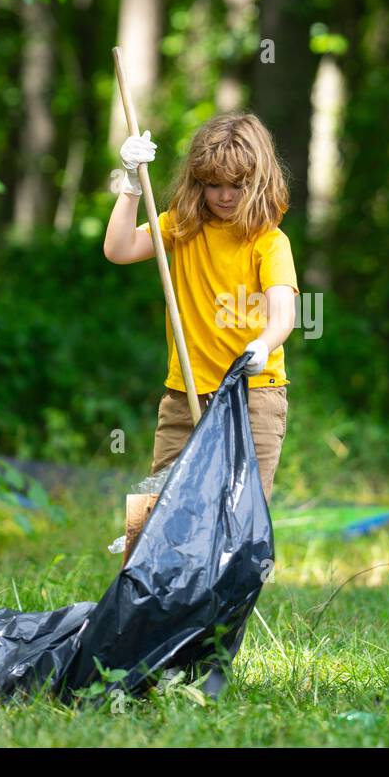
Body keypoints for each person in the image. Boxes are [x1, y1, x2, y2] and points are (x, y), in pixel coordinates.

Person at [103, 112, 299, 505]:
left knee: (241, 514)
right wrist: (129, 185)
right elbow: (118, 249)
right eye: (213, 185)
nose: (225, 196)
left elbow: (283, 315)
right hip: (185, 393)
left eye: (237, 185)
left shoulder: (269, 240)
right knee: (162, 508)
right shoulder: (183, 226)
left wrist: (263, 345)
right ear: (197, 183)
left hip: (252, 395)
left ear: (258, 182)